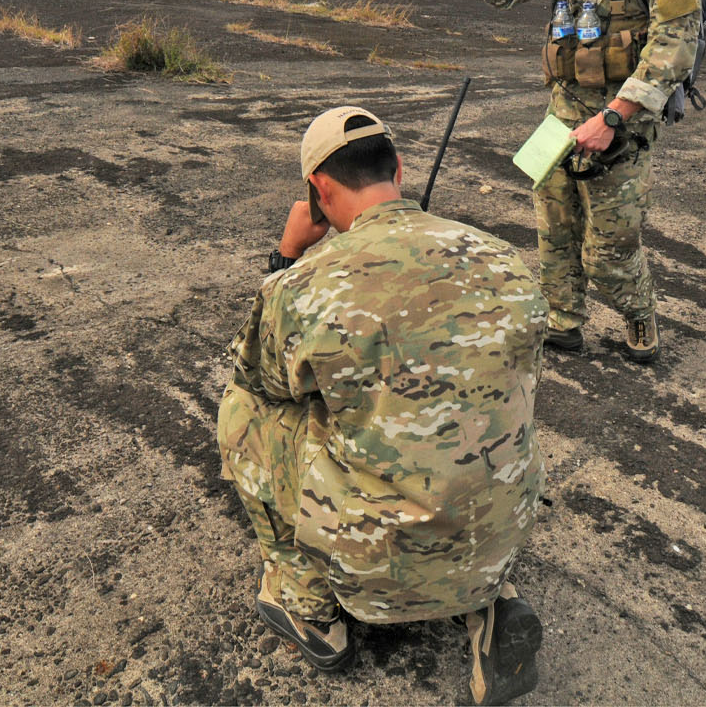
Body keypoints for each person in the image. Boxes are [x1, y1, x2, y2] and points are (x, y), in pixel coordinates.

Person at [218, 105, 548, 705]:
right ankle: (489, 600)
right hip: (497, 531)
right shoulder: (506, 259)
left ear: (317, 191)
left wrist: (285, 259)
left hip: (375, 567)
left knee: (241, 411)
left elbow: (256, 375)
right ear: (399, 167)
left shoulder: (306, 287)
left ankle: (308, 606)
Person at [482, 0, 702, 362]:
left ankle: (638, 317)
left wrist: (613, 117)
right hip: (559, 113)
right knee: (553, 232)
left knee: (610, 246)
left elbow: (675, 45)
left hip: (620, 120)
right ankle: (562, 321)